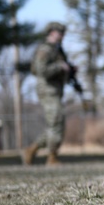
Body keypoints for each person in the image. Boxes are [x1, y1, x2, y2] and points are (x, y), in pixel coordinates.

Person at [23, 21, 72, 166]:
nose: (62, 35)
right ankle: (51, 157)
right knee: (56, 121)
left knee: (56, 123)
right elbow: (41, 71)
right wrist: (60, 66)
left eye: (63, 33)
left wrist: (69, 70)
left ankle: (32, 149)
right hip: (47, 90)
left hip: (56, 90)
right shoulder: (45, 49)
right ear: (51, 32)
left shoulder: (58, 50)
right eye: (60, 32)